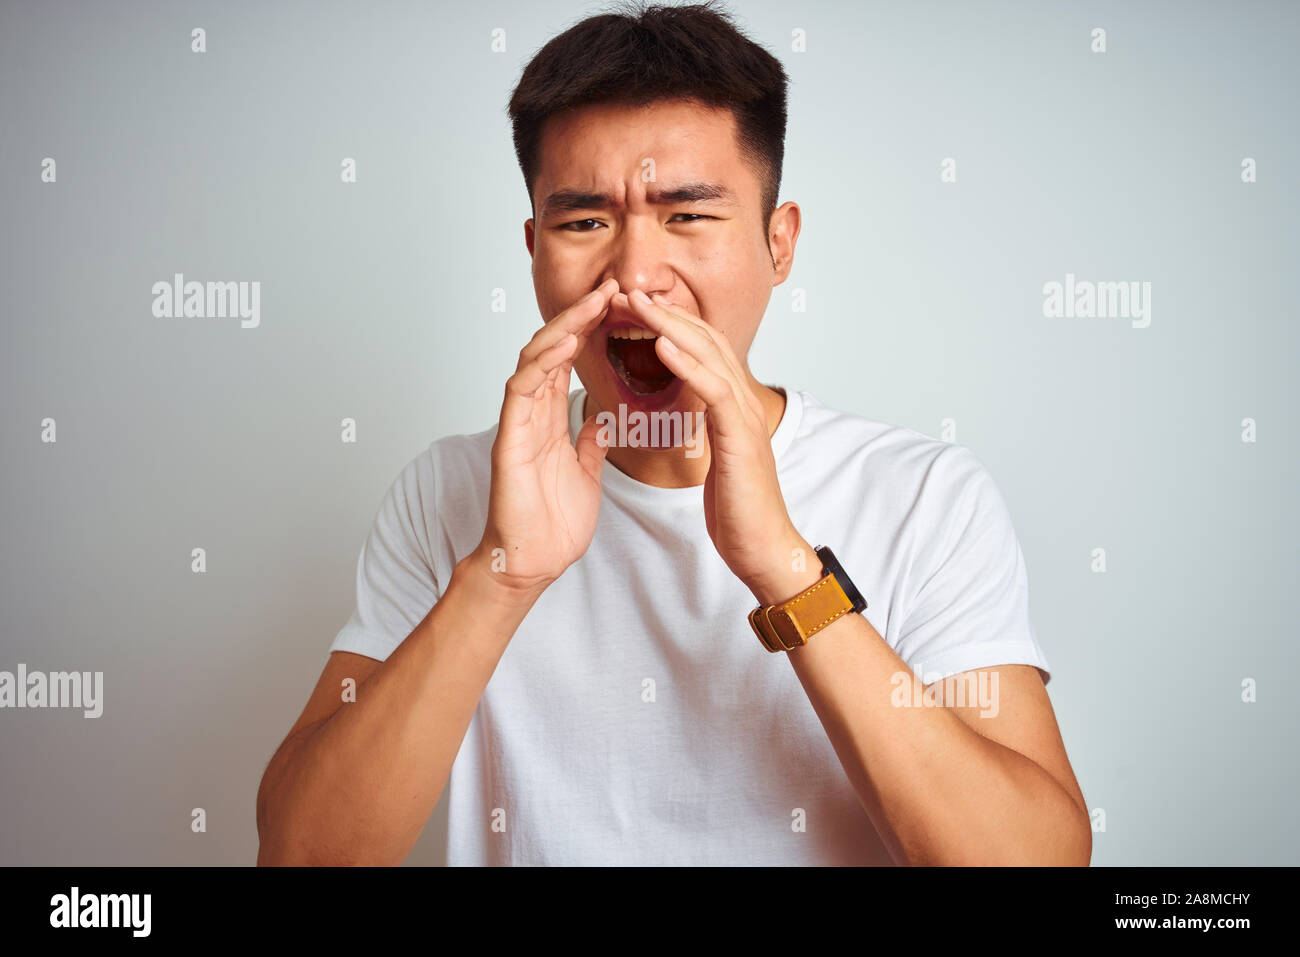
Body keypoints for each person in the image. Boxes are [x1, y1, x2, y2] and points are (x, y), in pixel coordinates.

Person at [256, 1, 1090, 866]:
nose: (633, 277)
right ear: (533, 247)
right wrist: (499, 579)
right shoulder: (447, 495)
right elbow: (301, 854)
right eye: (585, 222)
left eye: (686, 215)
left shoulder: (922, 495)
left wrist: (785, 569)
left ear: (779, 243)